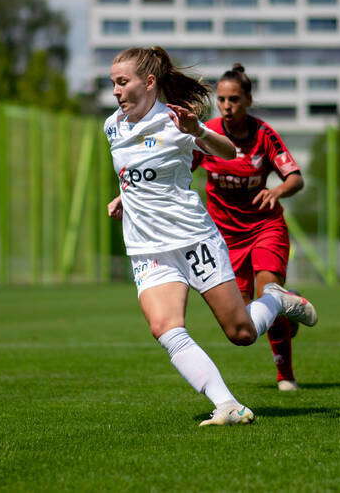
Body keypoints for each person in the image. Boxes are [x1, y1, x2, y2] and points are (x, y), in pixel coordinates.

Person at [104, 46, 317, 426]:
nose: (116, 91)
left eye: (123, 82)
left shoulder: (177, 122)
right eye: (113, 84)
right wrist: (124, 195)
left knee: (241, 332)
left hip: (193, 239)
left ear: (148, 82)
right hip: (147, 247)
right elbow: (137, 171)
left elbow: (229, 152)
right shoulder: (112, 126)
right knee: (164, 328)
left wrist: (198, 130)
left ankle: (275, 301)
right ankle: (228, 405)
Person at [193, 64, 306, 391]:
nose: (227, 106)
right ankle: (287, 306)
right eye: (222, 99)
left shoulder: (264, 135)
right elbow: (181, 168)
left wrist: (277, 191)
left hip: (264, 228)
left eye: (234, 99)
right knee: (244, 319)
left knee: (267, 291)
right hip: (225, 237)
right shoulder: (207, 133)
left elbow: (295, 178)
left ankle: (285, 376)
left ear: (248, 100)